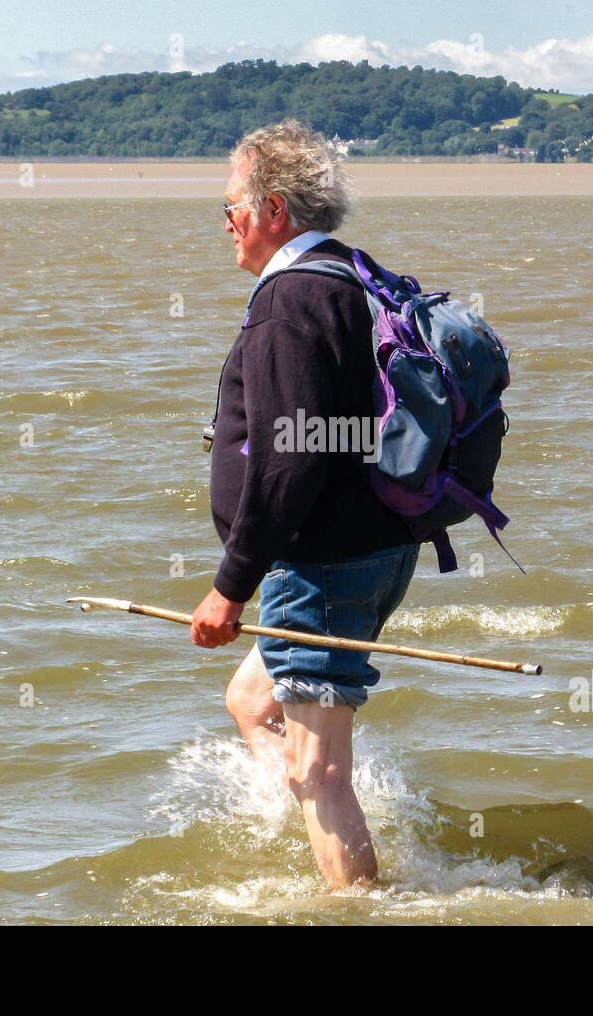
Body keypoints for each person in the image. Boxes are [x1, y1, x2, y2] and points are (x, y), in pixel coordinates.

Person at [190, 119, 419, 888]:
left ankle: (359, 897)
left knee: (318, 771)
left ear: (274, 210)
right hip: (376, 549)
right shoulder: (351, 274)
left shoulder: (289, 301)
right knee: (251, 699)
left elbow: (290, 458)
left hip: (325, 563)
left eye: (232, 207)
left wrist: (230, 586)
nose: (226, 223)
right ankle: (325, 825)